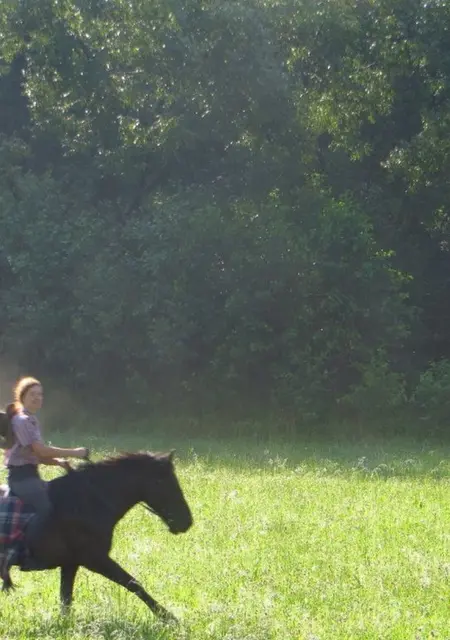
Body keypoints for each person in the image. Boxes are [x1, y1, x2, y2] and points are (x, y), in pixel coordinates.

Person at [4, 376, 89, 565]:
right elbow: (41, 450)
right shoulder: (22, 420)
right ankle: (28, 552)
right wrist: (75, 452)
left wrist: (59, 462)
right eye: (33, 394)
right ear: (22, 396)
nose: (38, 398)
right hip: (21, 479)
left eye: (40, 394)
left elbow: (37, 455)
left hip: (30, 476)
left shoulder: (31, 419)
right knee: (45, 509)